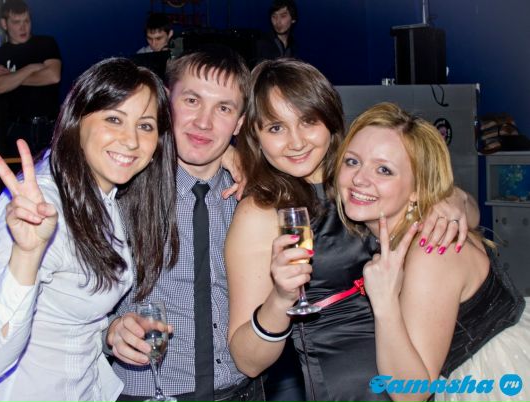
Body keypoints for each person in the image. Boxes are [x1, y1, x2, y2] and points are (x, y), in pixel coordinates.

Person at [225, 59, 480, 401]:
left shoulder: (355, 178)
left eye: (307, 121)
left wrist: (453, 200)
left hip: (416, 370)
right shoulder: (262, 213)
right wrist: (280, 299)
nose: (295, 142)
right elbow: (247, 361)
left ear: (329, 118)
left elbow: (458, 212)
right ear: (255, 135)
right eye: (275, 128)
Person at [0, 57, 178, 402]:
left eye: (145, 126)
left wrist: (110, 330)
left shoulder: (107, 193)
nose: (131, 140)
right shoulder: (42, 203)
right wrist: (27, 254)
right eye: (114, 119)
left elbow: (64, 310)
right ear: (78, 120)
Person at [334, 102, 529, 402]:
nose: (359, 178)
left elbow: (412, 392)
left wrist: (384, 302)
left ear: (417, 189)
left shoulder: (430, 250)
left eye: (384, 170)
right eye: (352, 161)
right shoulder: (417, 225)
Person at [106, 47, 268, 402]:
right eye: (192, 100)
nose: (204, 122)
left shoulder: (254, 199)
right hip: (147, 392)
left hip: (241, 392)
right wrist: (109, 331)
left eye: (223, 108)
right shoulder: (121, 190)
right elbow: (67, 301)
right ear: (166, 102)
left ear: (239, 123)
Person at [0, 0, 61, 156]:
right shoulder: (0, 54)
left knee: (52, 169)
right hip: (18, 127)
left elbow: (53, 76)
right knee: (19, 170)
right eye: (16, 22)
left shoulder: (46, 43)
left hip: (49, 126)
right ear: (4, 24)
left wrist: (12, 78)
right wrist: (31, 68)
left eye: (26, 21)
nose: (23, 27)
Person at [253, 0, 298, 66]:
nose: (277, 21)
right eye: (274, 16)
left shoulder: (293, 45)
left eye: (283, 16)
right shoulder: (262, 43)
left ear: (293, 19)